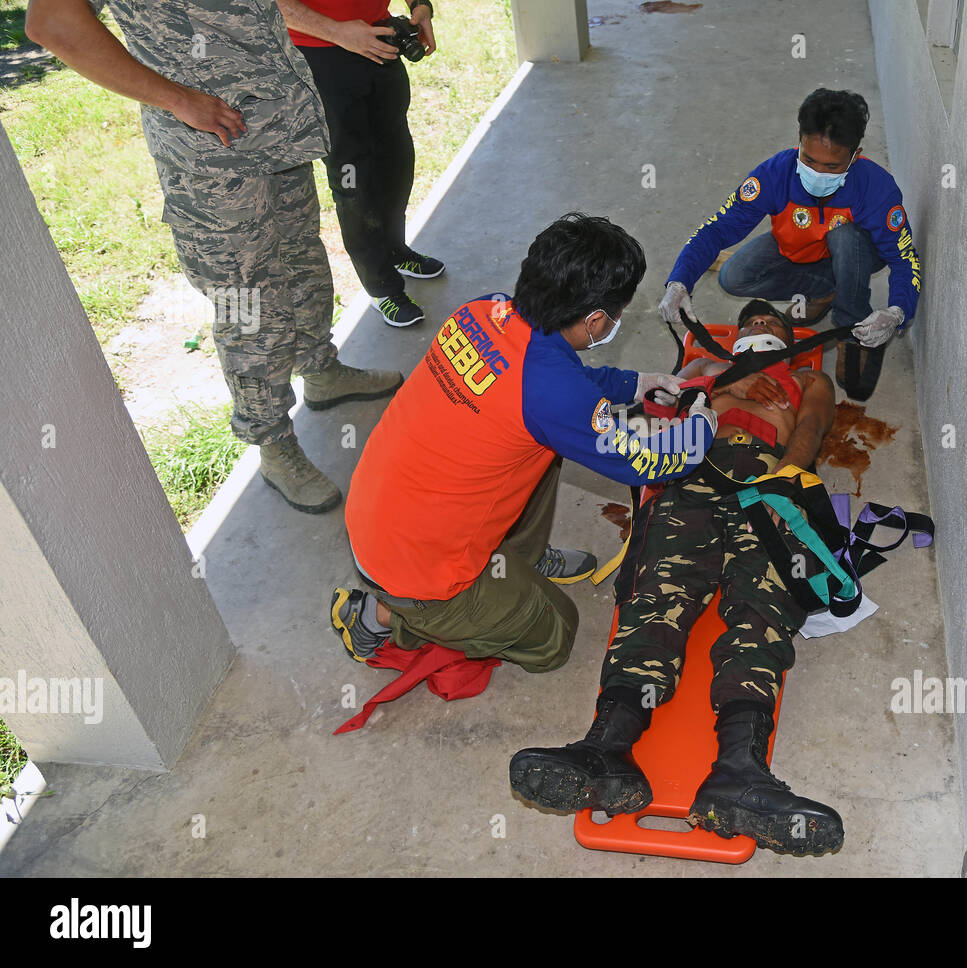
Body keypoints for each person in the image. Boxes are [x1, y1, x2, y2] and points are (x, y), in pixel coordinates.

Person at [25, 0, 405, 515]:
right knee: (247, 300)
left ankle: (321, 369)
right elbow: (54, 24)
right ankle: (272, 442)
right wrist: (176, 98)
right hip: (211, 154)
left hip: (278, 127)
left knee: (302, 263)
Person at [509, 299, 847, 856]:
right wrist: (718, 387)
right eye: (752, 324)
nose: (760, 329)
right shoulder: (706, 372)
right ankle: (607, 750)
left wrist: (787, 485)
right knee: (655, 598)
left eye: (772, 326)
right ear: (735, 339)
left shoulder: (808, 377)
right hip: (691, 475)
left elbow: (809, 432)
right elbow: (656, 412)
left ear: (789, 340)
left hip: (767, 478)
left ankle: (740, 771)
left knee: (762, 607)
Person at [330, 213, 719, 677]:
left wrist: (636, 385)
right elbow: (648, 462)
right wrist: (702, 425)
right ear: (596, 320)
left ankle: (517, 561)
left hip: (382, 517)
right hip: (414, 572)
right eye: (616, 314)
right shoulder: (549, 394)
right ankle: (383, 616)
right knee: (555, 635)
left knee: (540, 443)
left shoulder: (482, 311)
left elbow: (556, 380)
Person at [657, 88, 923, 402]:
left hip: (855, 253)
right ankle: (825, 291)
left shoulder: (876, 188)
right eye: (809, 160)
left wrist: (897, 313)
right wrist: (679, 281)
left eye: (833, 167)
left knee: (845, 236)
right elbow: (716, 231)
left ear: (856, 155)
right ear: (799, 140)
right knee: (733, 275)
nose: (818, 173)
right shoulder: (774, 176)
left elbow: (904, 258)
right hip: (798, 250)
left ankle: (849, 320)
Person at [277, 0, 443, 328]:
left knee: (396, 162)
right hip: (321, 56)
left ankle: (395, 250)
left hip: (380, 43)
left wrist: (420, 6)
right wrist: (338, 32)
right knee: (352, 177)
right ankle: (381, 285)